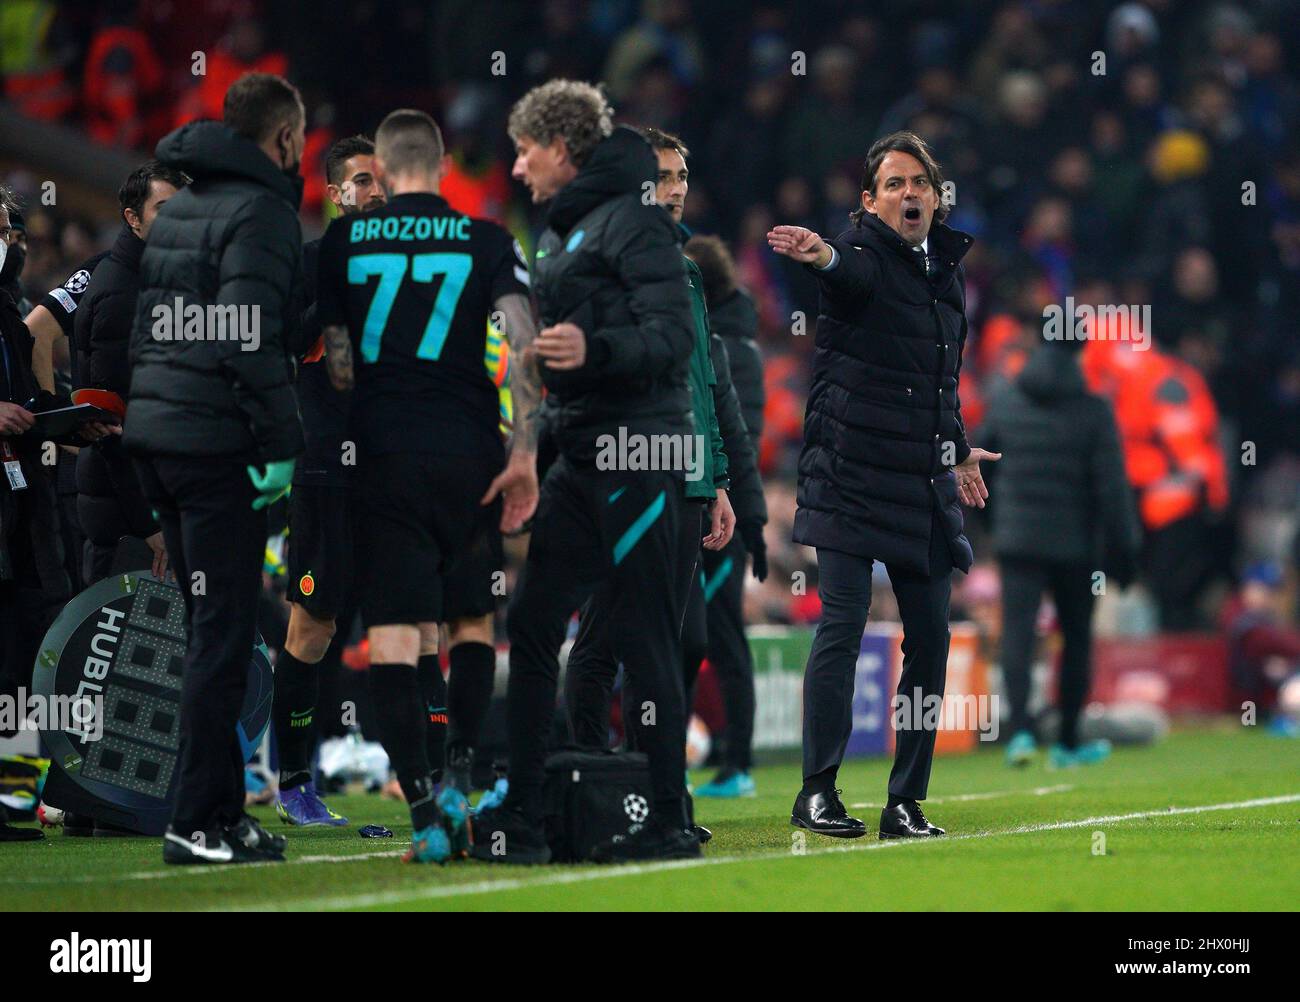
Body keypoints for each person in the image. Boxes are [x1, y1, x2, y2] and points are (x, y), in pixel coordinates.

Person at [471, 80, 696, 865]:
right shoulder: (561, 231)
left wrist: (593, 352)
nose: (519, 167)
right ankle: (528, 813)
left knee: (645, 639)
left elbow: (673, 339)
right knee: (534, 624)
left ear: (561, 150)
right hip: (583, 451)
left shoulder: (636, 222)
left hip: (642, 451)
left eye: (526, 152)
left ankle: (668, 820)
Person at [317, 108, 540, 864]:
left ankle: (422, 818)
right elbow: (522, 341)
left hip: (380, 456)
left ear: (378, 170)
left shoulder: (343, 242)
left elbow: (338, 360)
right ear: (443, 167)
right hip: (470, 457)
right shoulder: (486, 238)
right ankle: (461, 779)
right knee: (473, 622)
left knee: (393, 639)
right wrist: (525, 452)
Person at [767, 131, 1000, 839]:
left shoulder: (947, 275)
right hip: (849, 473)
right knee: (842, 621)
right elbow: (849, 275)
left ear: (937, 196)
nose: (909, 194)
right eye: (893, 184)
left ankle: (906, 801)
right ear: (869, 202)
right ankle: (816, 792)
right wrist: (822, 255)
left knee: (930, 637)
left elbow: (940, 380)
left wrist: (958, 450)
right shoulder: (862, 254)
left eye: (919, 183)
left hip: (920, 480)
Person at [126, 72, 307, 865]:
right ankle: (196, 821)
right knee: (221, 640)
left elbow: (150, 331)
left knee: (212, 635)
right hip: (214, 453)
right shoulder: (262, 212)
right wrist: (281, 444)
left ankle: (221, 814)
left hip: (163, 443)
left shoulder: (181, 209)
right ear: (286, 138)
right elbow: (247, 341)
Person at [273, 134, 385, 829]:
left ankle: (430, 781)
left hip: (394, 471)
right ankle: (292, 781)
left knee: (415, 626)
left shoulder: (410, 266)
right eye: (363, 181)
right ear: (335, 192)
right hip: (324, 471)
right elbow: (288, 341)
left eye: (382, 181)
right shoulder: (312, 261)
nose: (376, 192)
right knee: (313, 628)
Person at [980, 332, 1140, 768]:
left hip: (1017, 542)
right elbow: (1113, 490)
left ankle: (1020, 735)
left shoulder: (1008, 403)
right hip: (1075, 548)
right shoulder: (1094, 411)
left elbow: (978, 464)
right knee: (1076, 638)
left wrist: (989, 525)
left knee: (1017, 633)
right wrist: (1124, 554)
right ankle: (1068, 741)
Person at [74, 161, 188, 587]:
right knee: (124, 650)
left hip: (156, 507)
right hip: (131, 522)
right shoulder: (122, 295)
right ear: (133, 218)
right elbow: (111, 426)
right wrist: (150, 525)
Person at [685, 233, 769, 799]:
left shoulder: (716, 345)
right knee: (717, 632)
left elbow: (732, 436)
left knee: (715, 634)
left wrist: (750, 515)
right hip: (733, 509)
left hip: (719, 510)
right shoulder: (745, 343)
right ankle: (733, 757)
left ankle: (736, 760)